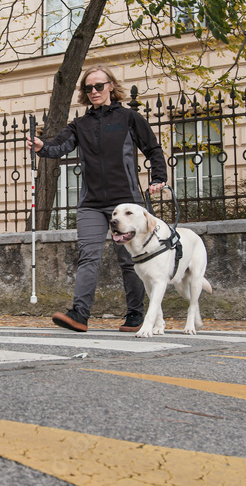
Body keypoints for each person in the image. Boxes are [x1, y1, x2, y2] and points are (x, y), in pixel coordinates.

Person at [28, 65, 167, 332]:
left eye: (99, 86)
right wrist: (42, 147)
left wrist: (158, 178)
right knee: (88, 256)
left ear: (110, 86)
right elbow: (60, 146)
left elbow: (153, 149)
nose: (94, 92)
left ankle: (136, 315)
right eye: (88, 88)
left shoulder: (129, 118)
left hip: (126, 201)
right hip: (91, 203)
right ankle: (79, 314)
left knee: (130, 260)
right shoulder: (80, 125)